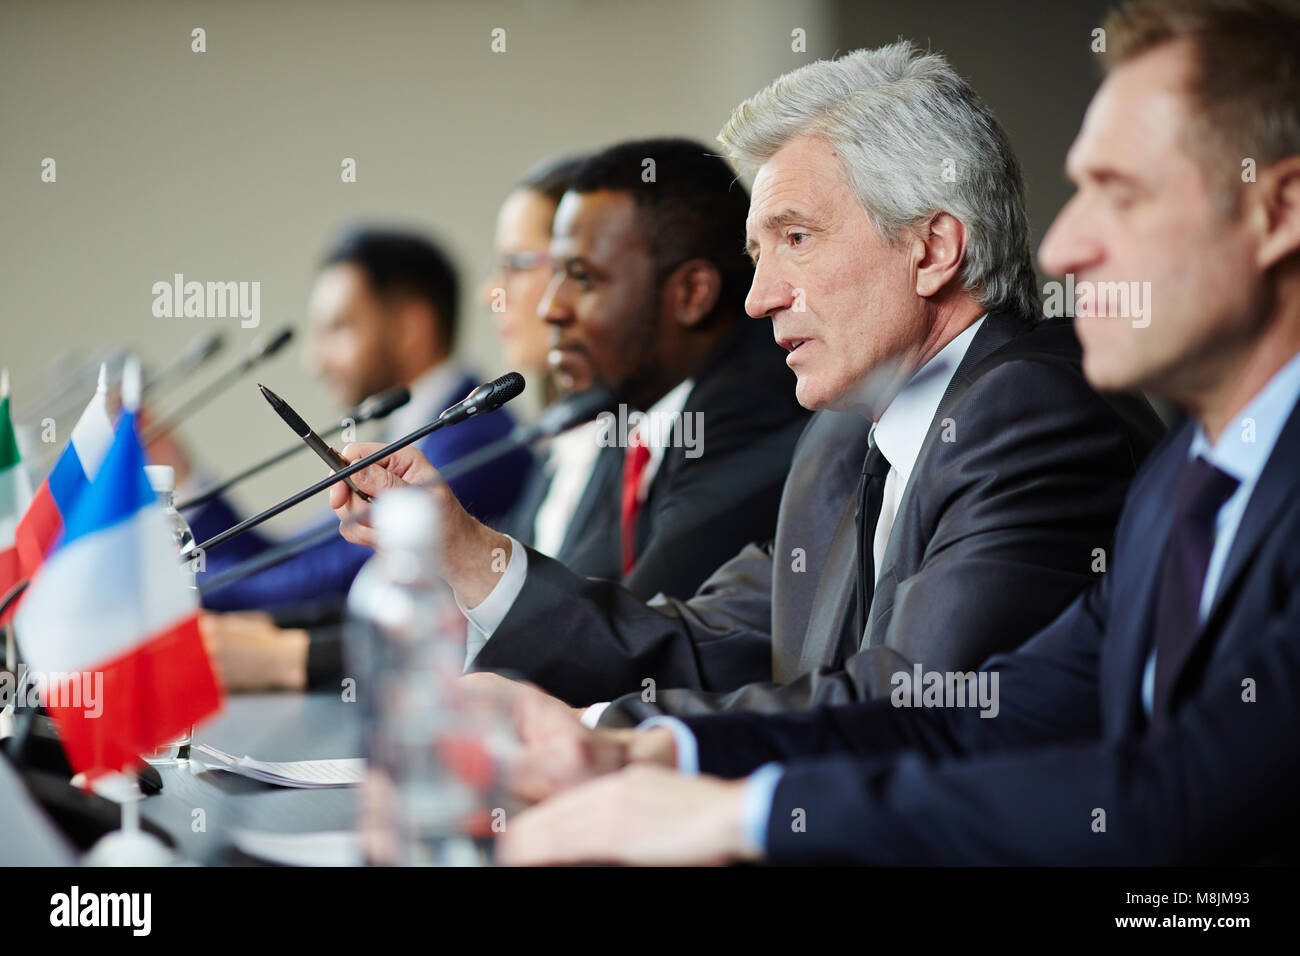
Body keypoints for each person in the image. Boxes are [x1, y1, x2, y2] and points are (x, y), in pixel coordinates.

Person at [490, 0, 1300, 866]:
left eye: (1122, 193)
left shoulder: (1038, 409)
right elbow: (983, 716)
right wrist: (645, 751)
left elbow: (1169, 802)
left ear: (1279, 211)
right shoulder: (1188, 474)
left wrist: (739, 816)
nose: (1064, 246)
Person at [332, 44, 1163, 721]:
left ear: (933, 250)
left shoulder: (1033, 412)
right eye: (758, 253)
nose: (761, 298)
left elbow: (905, 707)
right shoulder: (844, 435)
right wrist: (466, 552)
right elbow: (689, 646)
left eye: (795, 238)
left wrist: (610, 737)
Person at [191, 229, 531, 687]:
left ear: (411, 327)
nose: (315, 361)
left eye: (339, 328)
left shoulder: (475, 436)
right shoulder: (411, 427)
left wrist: (184, 585)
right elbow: (291, 556)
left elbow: (334, 577)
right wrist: (187, 481)